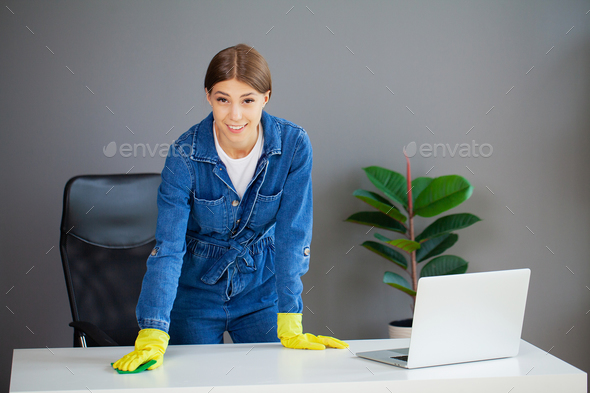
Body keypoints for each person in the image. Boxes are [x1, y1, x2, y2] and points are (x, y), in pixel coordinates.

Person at [113, 44, 348, 372]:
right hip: (194, 295)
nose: (235, 115)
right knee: (193, 382)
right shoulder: (184, 154)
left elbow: (292, 235)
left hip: (261, 292)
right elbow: (168, 248)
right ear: (208, 96)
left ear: (266, 97)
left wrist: (290, 316)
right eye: (223, 99)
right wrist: (153, 329)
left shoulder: (294, 145)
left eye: (248, 100)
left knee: (275, 380)